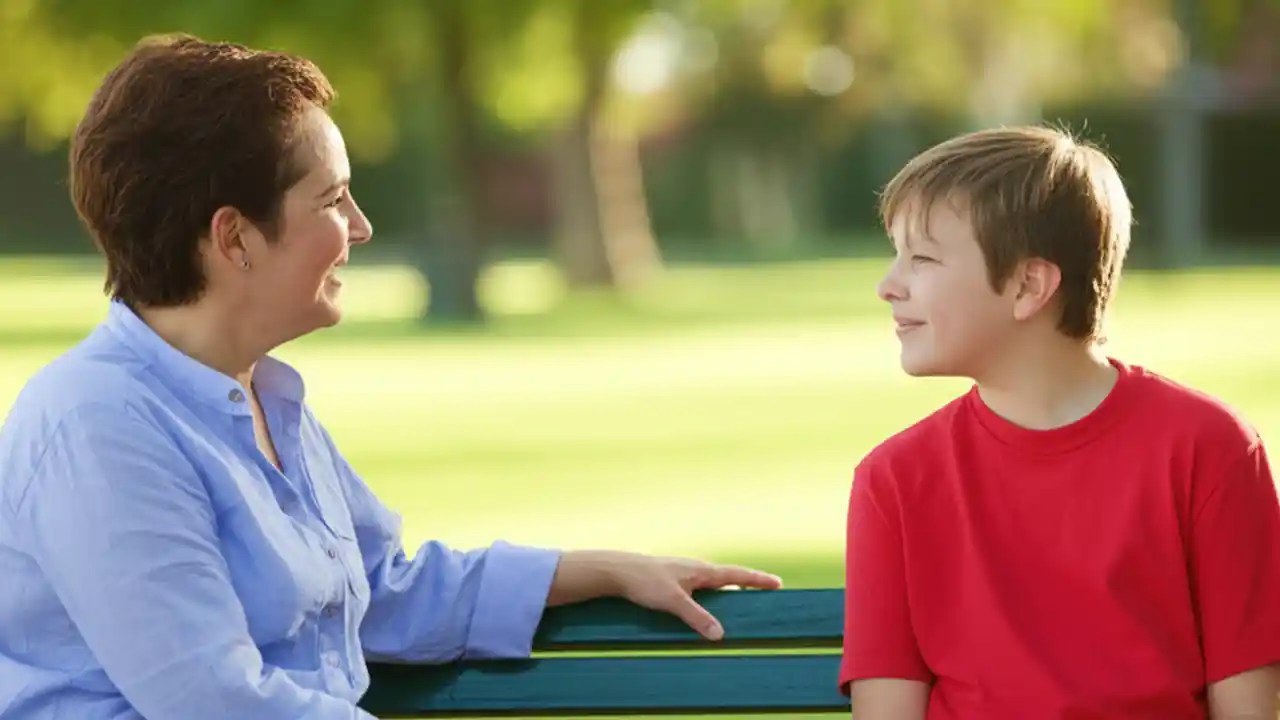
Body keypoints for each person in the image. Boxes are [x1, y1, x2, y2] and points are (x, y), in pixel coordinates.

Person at [0, 34, 782, 720]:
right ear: (233, 237)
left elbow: (379, 591)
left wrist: (602, 570)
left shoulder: (264, 396)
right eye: (334, 200)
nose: (362, 229)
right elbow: (214, 699)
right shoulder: (97, 426)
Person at [839, 125, 1280, 719]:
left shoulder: (1208, 447)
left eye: (921, 258)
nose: (888, 286)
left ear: (1029, 286)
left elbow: (1250, 706)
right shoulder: (893, 480)